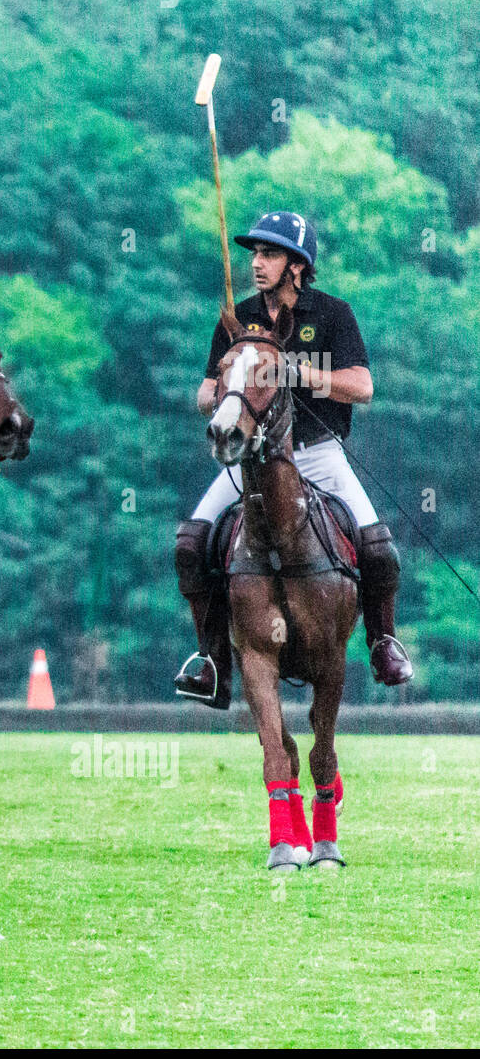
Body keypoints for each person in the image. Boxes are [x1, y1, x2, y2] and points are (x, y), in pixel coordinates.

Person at [174, 210, 413, 708]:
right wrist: (232, 384)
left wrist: (296, 373)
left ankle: (383, 643)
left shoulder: (332, 315)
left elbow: (363, 388)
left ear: (298, 265)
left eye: (270, 254)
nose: (257, 263)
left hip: (320, 454)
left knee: (378, 549)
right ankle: (212, 661)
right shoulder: (237, 319)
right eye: (255, 254)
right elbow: (201, 395)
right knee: (192, 542)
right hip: (255, 460)